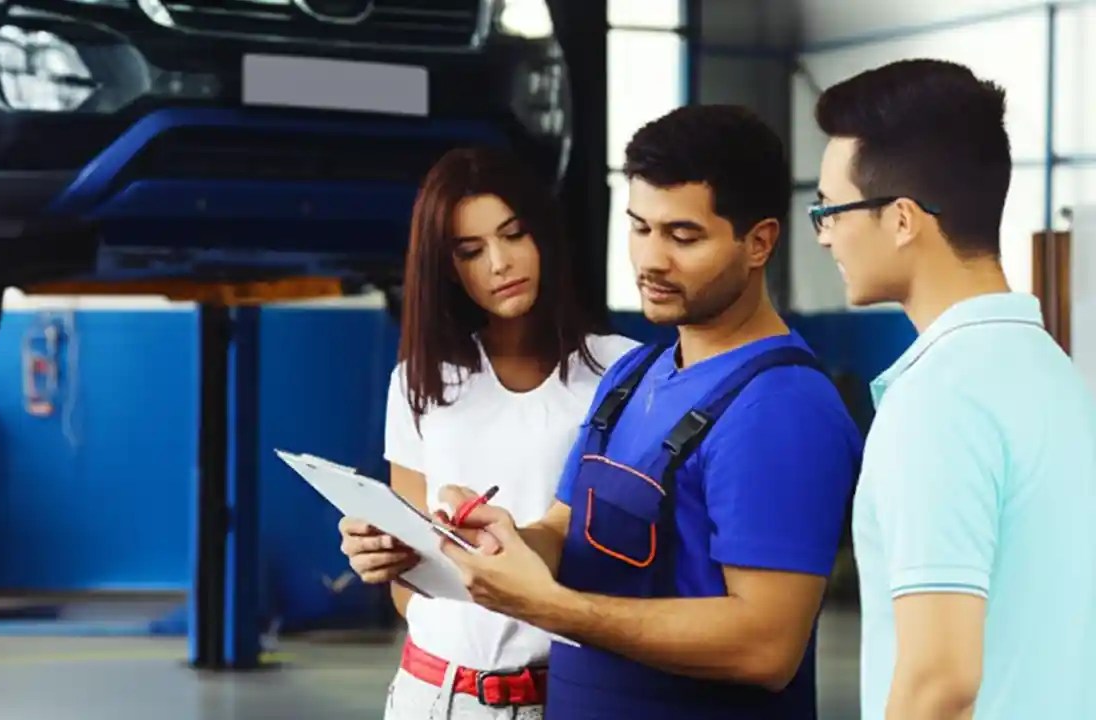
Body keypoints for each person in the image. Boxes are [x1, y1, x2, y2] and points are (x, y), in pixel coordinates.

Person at [356, 105, 864, 718]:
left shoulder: (782, 407)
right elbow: (565, 530)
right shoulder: (635, 376)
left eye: (683, 236)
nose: (651, 260)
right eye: (639, 228)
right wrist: (496, 540)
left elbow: (765, 646)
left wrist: (547, 606)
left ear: (758, 243)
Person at [812, 58, 1096, 720]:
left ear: (903, 219)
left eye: (830, 209)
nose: (824, 234)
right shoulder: (1054, 373)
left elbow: (940, 680)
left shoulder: (938, 400)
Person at [338, 146, 638, 719]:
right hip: (434, 697)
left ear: (543, 235)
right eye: (471, 251)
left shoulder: (621, 372)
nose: (499, 263)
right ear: (446, 268)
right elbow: (410, 582)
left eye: (513, 234)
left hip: (569, 695)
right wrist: (380, 556)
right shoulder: (420, 382)